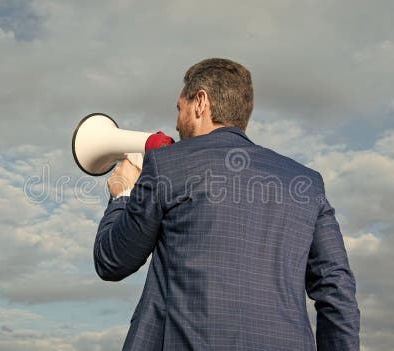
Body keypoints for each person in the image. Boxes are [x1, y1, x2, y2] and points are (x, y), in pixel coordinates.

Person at [93, 58, 360, 350]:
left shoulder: (166, 165)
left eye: (179, 108)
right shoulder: (308, 183)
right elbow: (336, 290)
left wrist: (122, 193)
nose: (176, 122)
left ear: (200, 102)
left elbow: (112, 261)